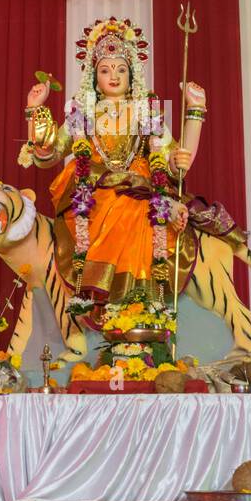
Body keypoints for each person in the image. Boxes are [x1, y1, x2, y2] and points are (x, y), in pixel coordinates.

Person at [21, 17, 206, 318]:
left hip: (140, 189)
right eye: (106, 70)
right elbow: (48, 154)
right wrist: (34, 111)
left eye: (121, 69)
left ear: (132, 75)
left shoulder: (146, 111)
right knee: (110, 210)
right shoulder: (83, 112)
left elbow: (176, 164)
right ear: (95, 77)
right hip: (95, 191)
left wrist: (195, 111)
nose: (114, 76)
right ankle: (102, 302)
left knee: (141, 214)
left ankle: (137, 308)